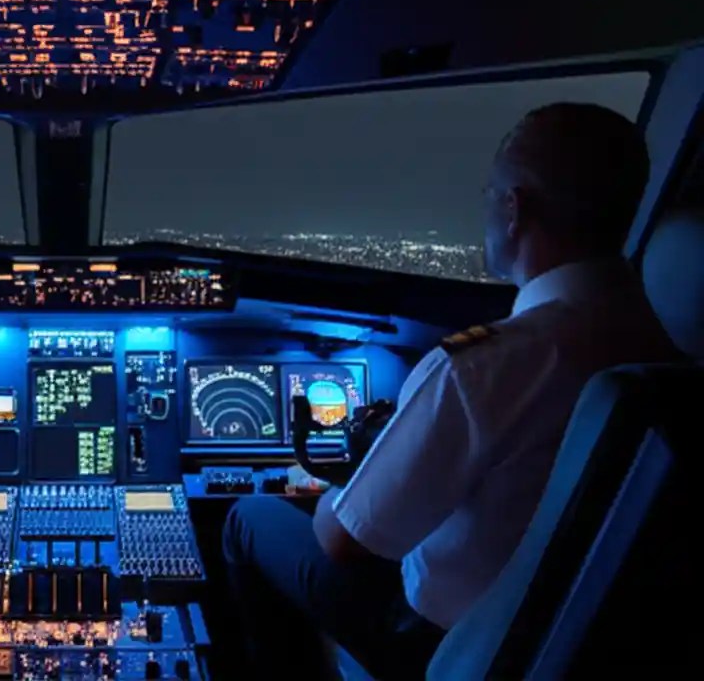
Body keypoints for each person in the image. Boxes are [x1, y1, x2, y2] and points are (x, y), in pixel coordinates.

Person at [222, 103, 683, 679]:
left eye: (490, 192)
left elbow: (341, 542)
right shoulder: (668, 345)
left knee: (248, 515)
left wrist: (350, 481)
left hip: (445, 643)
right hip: (591, 641)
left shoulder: (484, 366)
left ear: (515, 209)